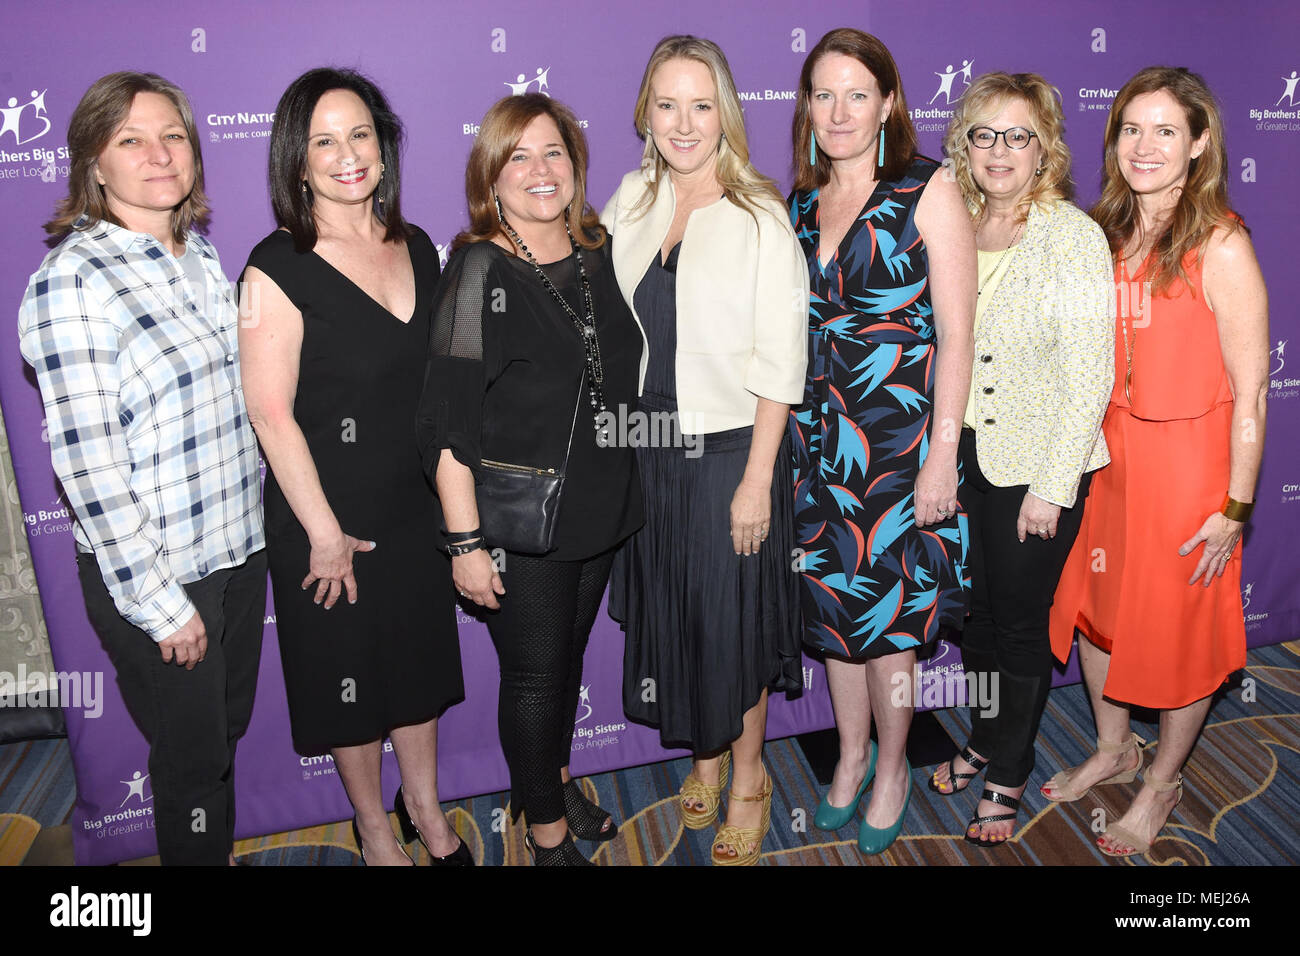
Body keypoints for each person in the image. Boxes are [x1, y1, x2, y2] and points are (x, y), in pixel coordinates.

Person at [18, 72, 266, 866]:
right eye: (130, 139)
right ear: (93, 162)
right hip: (161, 574)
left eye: (173, 136)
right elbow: (88, 465)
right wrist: (158, 604)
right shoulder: (71, 280)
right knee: (192, 769)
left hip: (237, 548)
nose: (159, 155)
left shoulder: (199, 257)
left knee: (217, 742)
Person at [240, 68, 468, 866]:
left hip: (414, 512)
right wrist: (325, 535)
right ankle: (375, 828)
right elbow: (270, 413)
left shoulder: (418, 248)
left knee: (416, 668)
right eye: (323, 141)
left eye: (360, 134)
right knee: (350, 686)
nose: (347, 155)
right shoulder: (275, 267)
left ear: (384, 143)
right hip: (325, 520)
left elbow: (441, 388)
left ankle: (428, 811)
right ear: (296, 163)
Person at [1046, 67, 1268, 857]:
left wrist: (1234, 507)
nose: (1145, 146)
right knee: (1101, 615)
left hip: (1187, 467)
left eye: (1166, 131)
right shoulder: (1099, 232)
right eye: (1131, 129)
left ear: (1200, 144)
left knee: (1176, 631)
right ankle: (1113, 748)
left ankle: (1163, 781)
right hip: (1108, 458)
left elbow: (1251, 396)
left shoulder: (1222, 244)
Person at [417, 93, 643, 866]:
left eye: (554, 153)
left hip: (600, 503)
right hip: (519, 523)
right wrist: (464, 542)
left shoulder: (598, 248)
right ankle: (544, 833)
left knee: (567, 662)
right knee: (538, 677)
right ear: (491, 173)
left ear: (577, 166)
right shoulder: (479, 269)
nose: (540, 171)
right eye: (519, 156)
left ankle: (551, 782)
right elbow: (448, 425)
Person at [602, 35, 808, 867]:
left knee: (734, 623)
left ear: (725, 110)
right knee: (680, 616)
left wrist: (758, 480)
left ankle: (751, 773)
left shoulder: (761, 214)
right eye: (667, 103)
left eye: (701, 103)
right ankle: (708, 757)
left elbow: (782, 360)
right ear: (645, 112)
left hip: (731, 451)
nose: (684, 123)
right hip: (647, 447)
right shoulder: (629, 197)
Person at [787, 28, 975, 855]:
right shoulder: (797, 202)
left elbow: (961, 339)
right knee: (836, 620)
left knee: (891, 626)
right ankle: (852, 754)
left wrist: (941, 457)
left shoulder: (926, 190)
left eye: (857, 93)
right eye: (823, 93)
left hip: (899, 450)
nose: (839, 110)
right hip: (816, 446)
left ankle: (893, 767)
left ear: (890, 103)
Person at [925, 73, 1114, 847]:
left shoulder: (1072, 235)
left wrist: (1052, 485)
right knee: (977, 619)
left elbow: (1090, 370)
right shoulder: (955, 221)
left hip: (1038, 462)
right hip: (963, 450)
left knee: (1021, 625)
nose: (1000, 150)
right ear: (965, 145)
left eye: (1019, 135)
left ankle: (1009, 767)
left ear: (1046, 148)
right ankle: (982, 734)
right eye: (984, 134)